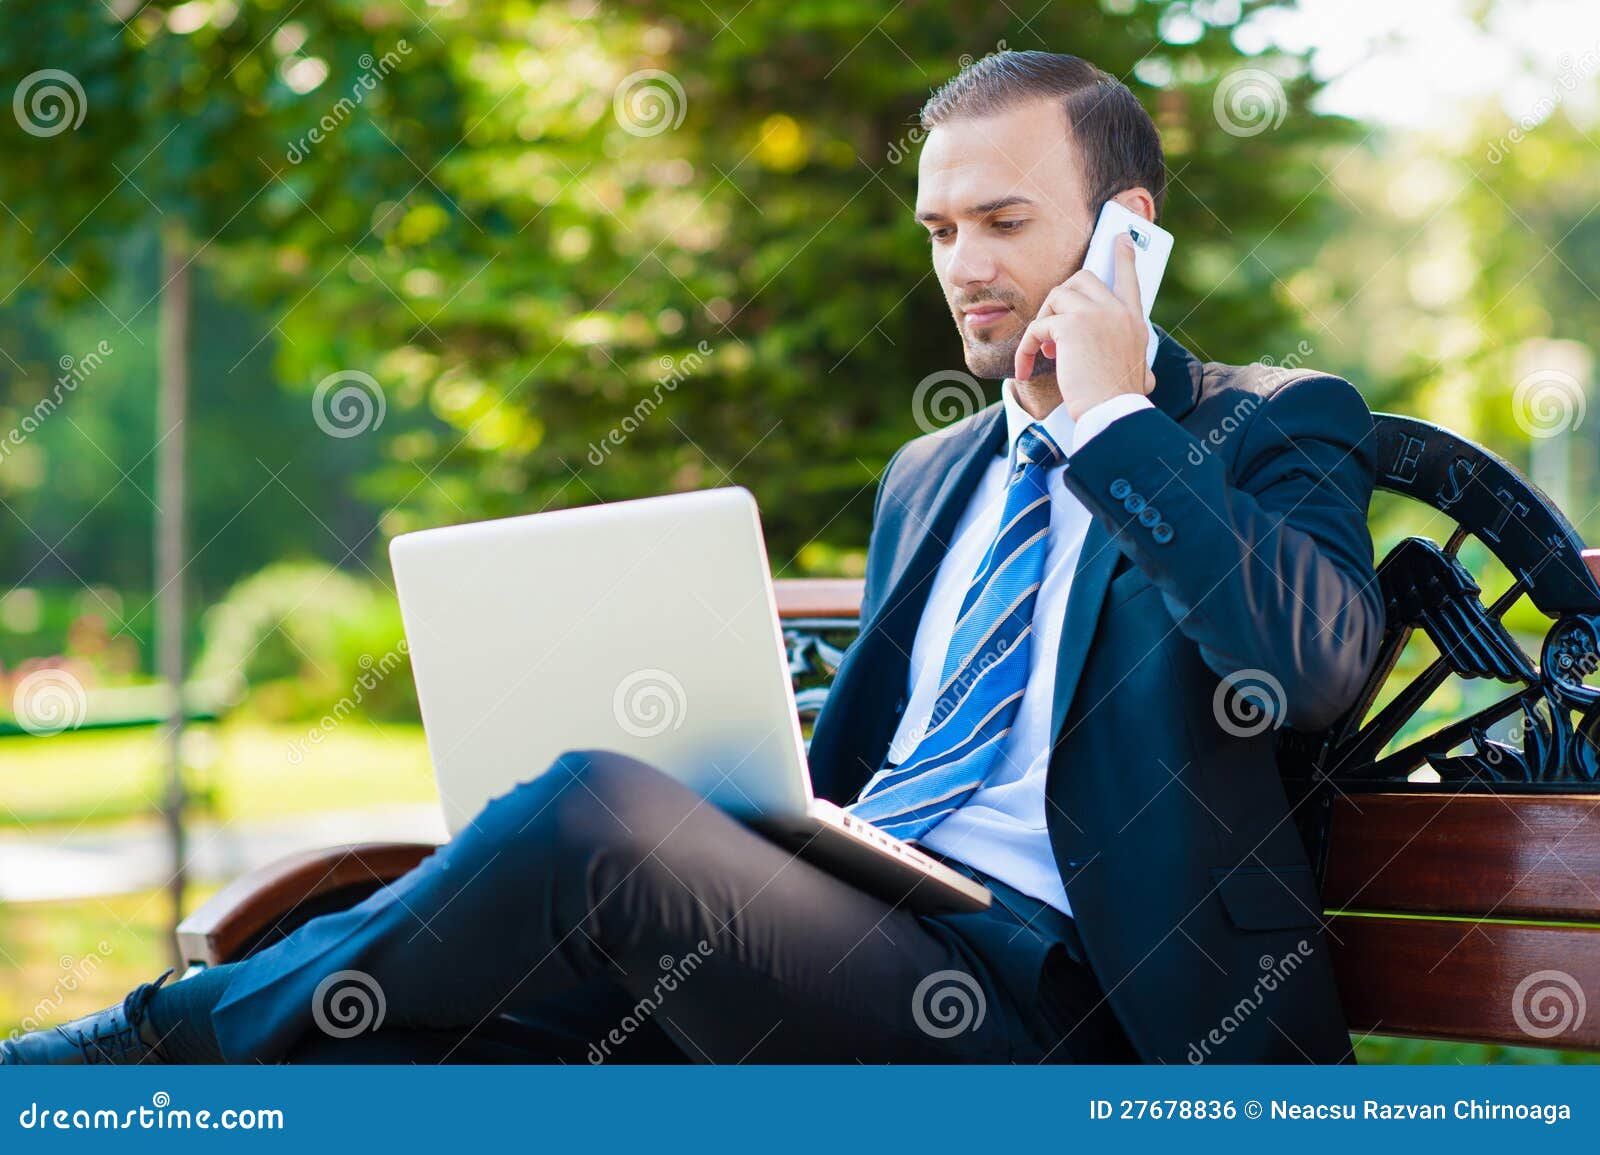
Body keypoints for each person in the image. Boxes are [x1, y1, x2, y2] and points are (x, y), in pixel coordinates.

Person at [2, 49, 1382, 1066]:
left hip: (1087, 1014)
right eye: (941, 230)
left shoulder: (1267, 424)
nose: (963, 263)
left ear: (1126, 225)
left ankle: (134, 1050)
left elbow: (1308, 664)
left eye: (1004, 223)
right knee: (434, 1040)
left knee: (593, 823)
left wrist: (1117, 419)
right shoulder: (933, 475)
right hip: (864, 938)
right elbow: (842, 778)